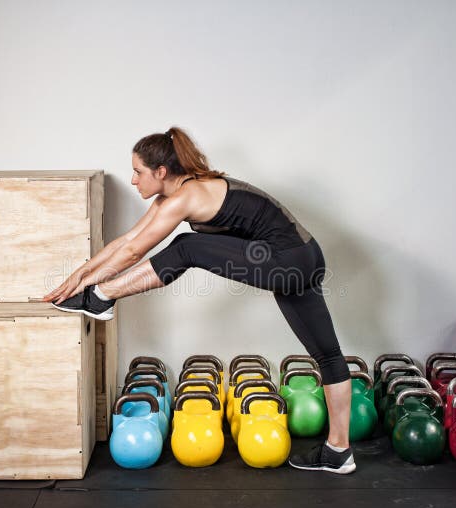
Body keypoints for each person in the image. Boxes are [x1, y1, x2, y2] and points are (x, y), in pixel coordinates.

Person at [42, 126, 354, 474]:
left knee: (187, 248)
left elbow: (133, 252)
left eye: (138, 172)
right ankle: (338, 450)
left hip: (289, 259)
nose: (133, 180)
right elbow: (127, 240)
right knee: (327, 355)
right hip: (303, 258)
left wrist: (96, 287)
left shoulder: (186, 197)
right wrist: (79, 277)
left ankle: (102, 298)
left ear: (160, 172)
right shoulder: (176, 195)